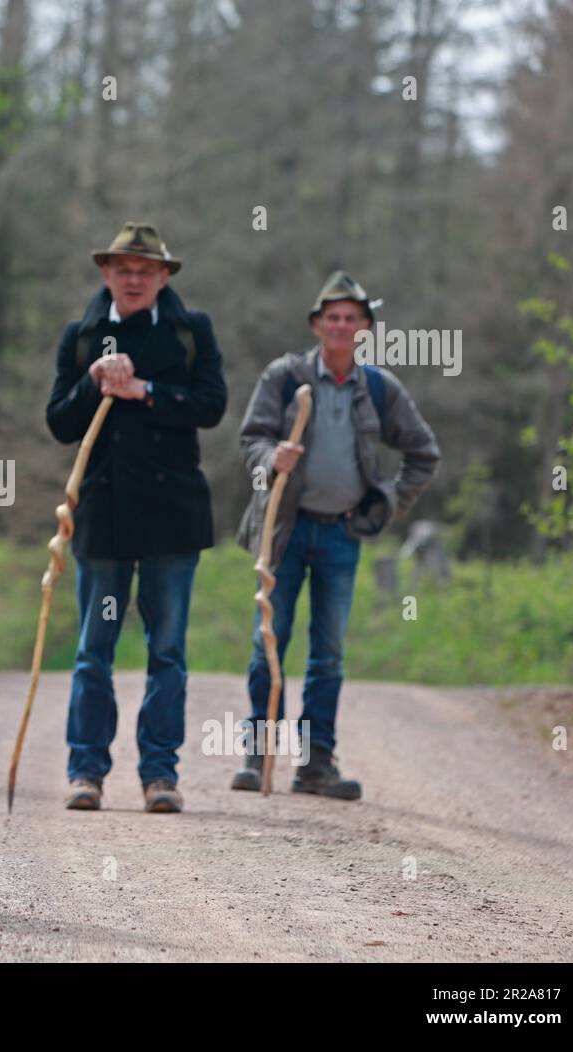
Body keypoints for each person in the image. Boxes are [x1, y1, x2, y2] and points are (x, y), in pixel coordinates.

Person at [231, 271, 440, 799]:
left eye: (351, 318)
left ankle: (316, 765)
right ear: (317, 325)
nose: (341, 326)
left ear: (365, 327)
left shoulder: (378, 388)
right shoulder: (285, 378)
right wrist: (269, 457)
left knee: (328, 654)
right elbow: (250, 438)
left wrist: (387, 502)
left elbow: (423, 453)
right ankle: (257, 759)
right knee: (268, 644)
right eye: (332, 318)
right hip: (284, 531)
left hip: (342, 536)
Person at [45, 221, 227, 813]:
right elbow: (59, 423)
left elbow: (212, 405)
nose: (132, 278)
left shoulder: (191, 330)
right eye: (123, 269)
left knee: (167, 648)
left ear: (163, 276)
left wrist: (145, 390)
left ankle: (160, 775)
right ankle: (86, 771)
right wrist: (94, 384)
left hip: (173, 518)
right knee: (93, 648)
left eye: (145, 270)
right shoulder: (80, 336)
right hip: (102, 517)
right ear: (106, 273)